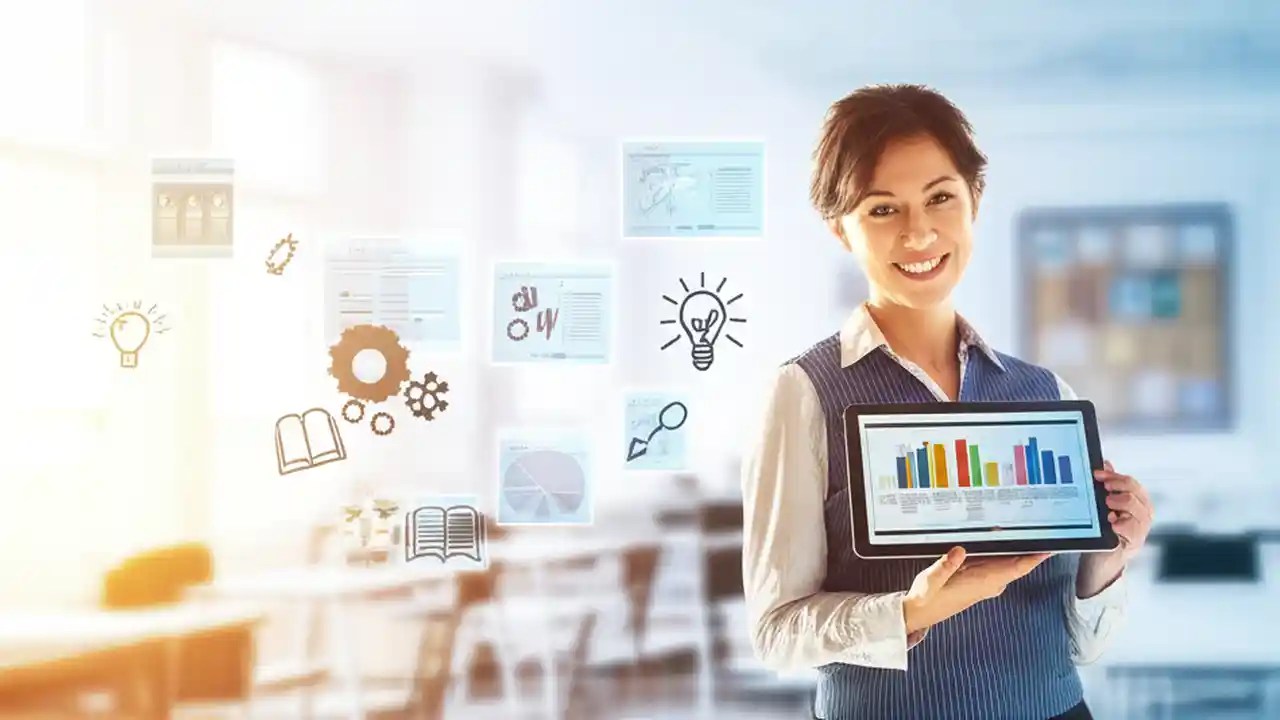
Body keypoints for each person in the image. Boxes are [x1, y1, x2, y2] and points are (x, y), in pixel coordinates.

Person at [741, 84, 1154, 720]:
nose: (919, 232)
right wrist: (911, 612)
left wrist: (1109, 556)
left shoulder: (1047, 394)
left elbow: (1081, 646)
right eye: (883, 210)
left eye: (940, 198)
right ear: (840, 230)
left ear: (974, 201)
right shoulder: (803, 394)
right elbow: (777, 634)